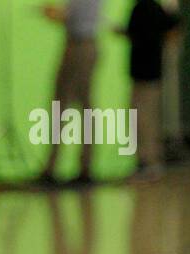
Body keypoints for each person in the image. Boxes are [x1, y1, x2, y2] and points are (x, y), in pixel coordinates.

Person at [38, 0, 105, 185]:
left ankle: (81, 166)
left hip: (80, 45)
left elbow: (73, 17)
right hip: (77, 44)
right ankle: (66, 165)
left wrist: (52, 13)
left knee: (78, 106)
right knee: (69, 105)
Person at [113, 0, 181, 179]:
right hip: (152, 70)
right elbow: (173, 26)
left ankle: (148, 161)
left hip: (143, 72)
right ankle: (151, 159)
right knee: (149, 117)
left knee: (142, 118)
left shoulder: (142, 8)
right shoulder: (156, 8)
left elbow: (134, 34)